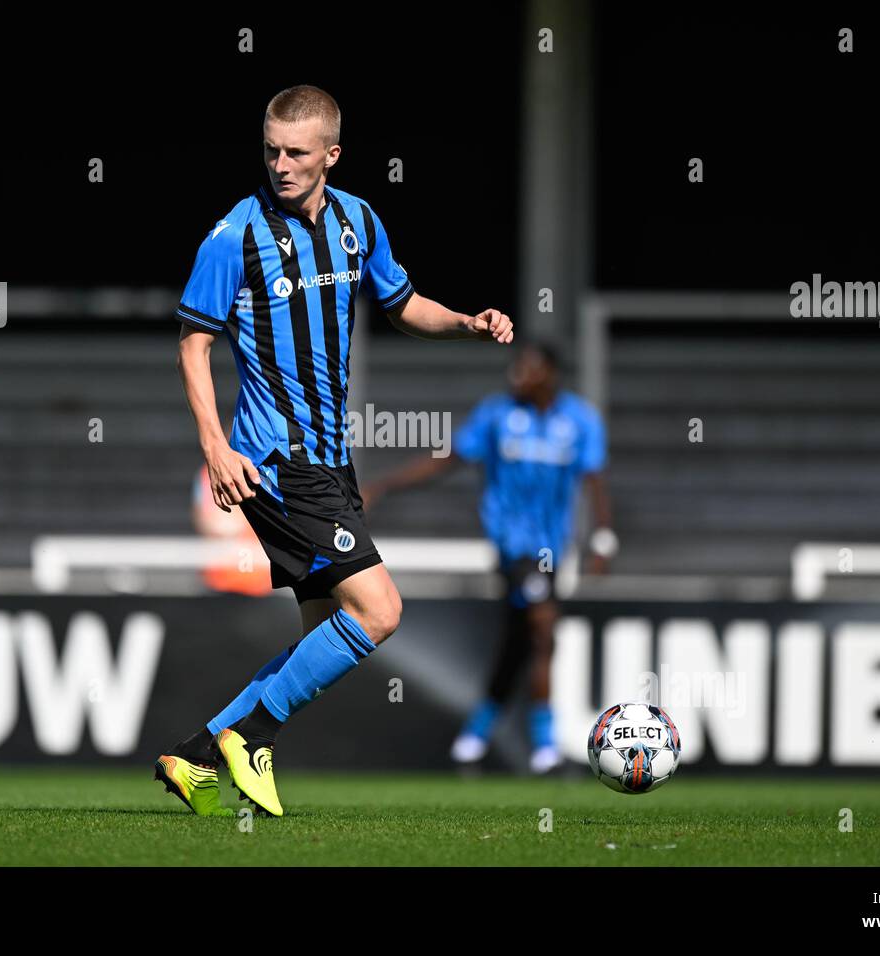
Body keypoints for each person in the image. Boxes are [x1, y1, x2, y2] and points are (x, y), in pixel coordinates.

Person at [155, 85, 513, 817]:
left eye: (295, 151)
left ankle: (196, 756)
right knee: (380, 610)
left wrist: (466, 323)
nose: (280, 164)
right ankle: (252, 738)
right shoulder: (234, 236)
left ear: (331, 155)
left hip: (331, 461)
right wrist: (216, 447)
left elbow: (403, 305)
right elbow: (193, 344)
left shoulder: (358, 220)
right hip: (276, 461)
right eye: (270, 150)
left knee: (325, 636)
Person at [361, 342, 614, 773]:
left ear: (550, 373)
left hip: (554, 548)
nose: (518, 374)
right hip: (513, 546)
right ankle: (545, 747)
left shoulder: (580, 420)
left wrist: (603, 537)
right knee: (542, 624)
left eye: (528, 367)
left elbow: (594, 480)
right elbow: (448, 459)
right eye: (515, 366)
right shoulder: (496, 416)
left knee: (521, 641)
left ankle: (475, 735)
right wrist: (386, 484)